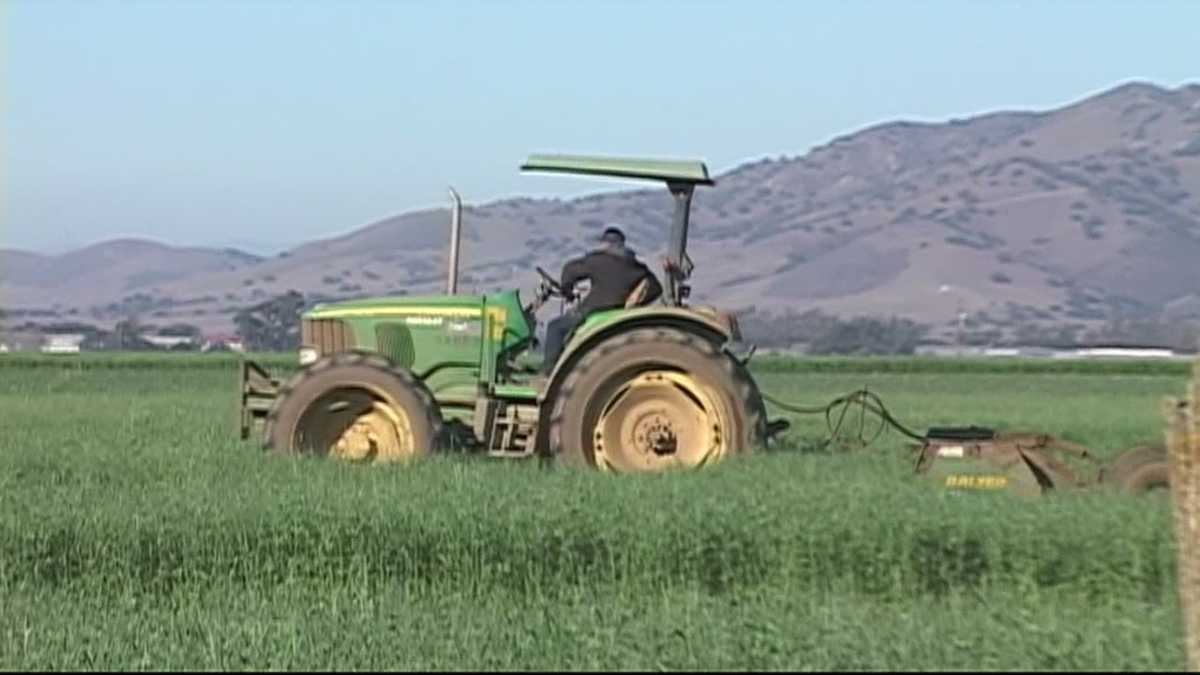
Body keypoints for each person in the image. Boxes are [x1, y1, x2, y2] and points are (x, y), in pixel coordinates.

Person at [540, 226, 662, 374]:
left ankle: (548, 371)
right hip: (619, 312)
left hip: (594, 309)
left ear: (605, 243)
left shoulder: (598, 260)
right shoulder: (635, 266)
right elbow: (656, 288)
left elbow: (570, 270)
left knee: (556, 327)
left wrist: (567, 289)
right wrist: (634, 303)